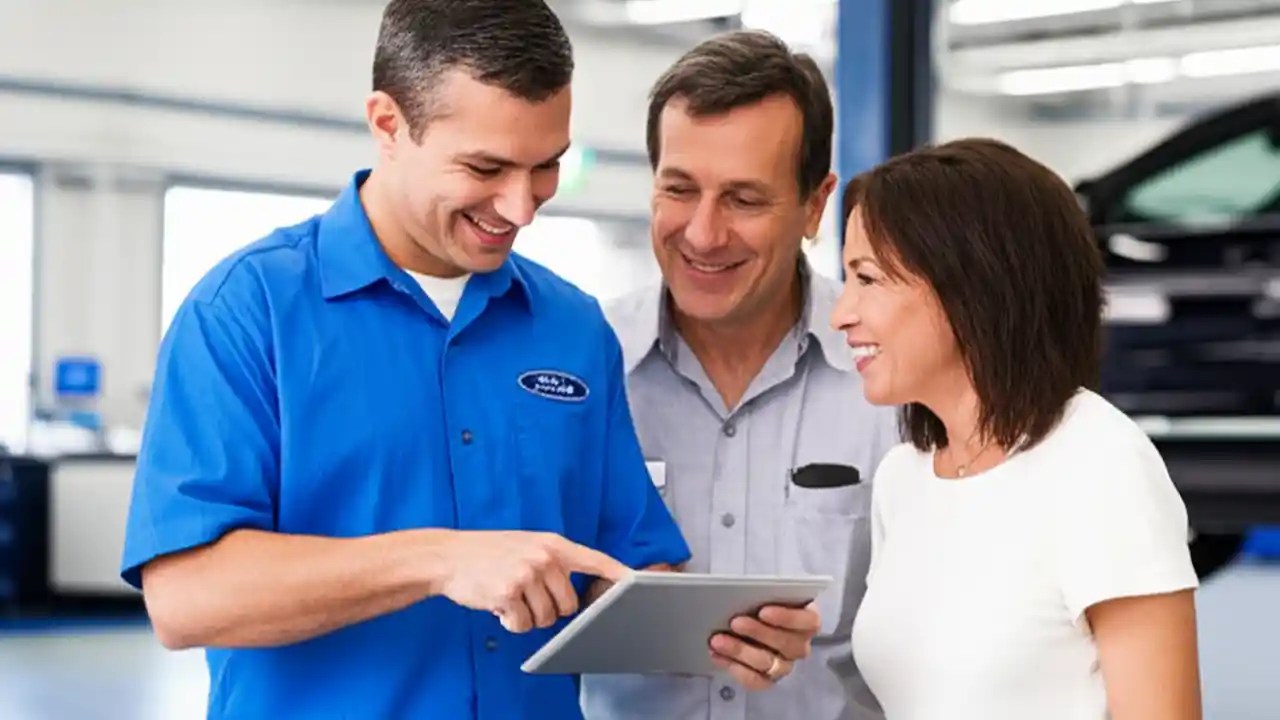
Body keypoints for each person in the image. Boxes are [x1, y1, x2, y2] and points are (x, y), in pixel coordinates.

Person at [118, 2, 697, 718]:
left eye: (547, 166)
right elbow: (185, 598)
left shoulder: (574, 329)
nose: (521, 206)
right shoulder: (247, 312)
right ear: (388, 124)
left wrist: (705, 622)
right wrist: (441, 559)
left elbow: (624, 563)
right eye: (485, 167)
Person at [583, 30, 897, 720]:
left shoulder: (894, 386)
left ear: (815, 207)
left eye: (744, 200)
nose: (702, 232)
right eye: (679, 189)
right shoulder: (578, 368)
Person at [833, 138, 1202, 720]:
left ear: (970, 286)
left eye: (868, 279)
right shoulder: (901, 478)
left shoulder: (1100, 461)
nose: (841, 313)